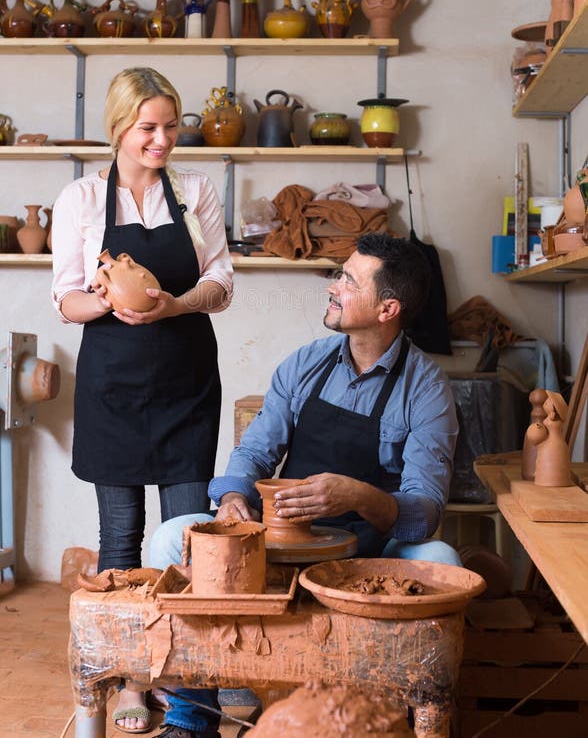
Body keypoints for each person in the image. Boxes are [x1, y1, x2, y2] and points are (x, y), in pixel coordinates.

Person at [149, 233, 461, 738]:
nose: (333, 288)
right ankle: (193, 716)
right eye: (339, 275)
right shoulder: (307, 362)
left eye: (347, 280)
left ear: (388, 307)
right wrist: (232, 498)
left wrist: (356, 495)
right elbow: (255, 452)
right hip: (283, 538)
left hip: (368, 549)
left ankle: (398, 715)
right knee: (169, 538)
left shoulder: (426, 388)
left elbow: (426, 510)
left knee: (442, 559)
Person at [51, 67, 233, 734]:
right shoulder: (82, 198)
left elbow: (220, 280)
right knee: (122, 539)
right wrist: (109, 296)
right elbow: (66, 298)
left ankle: (187, 686)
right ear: (119, 128)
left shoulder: (195, 192)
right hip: (113, 388)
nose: (161, 139)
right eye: (147, 127)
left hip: (186, 382)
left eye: (170, 125)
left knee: (186, 538)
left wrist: (171, 305)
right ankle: (133, 680)